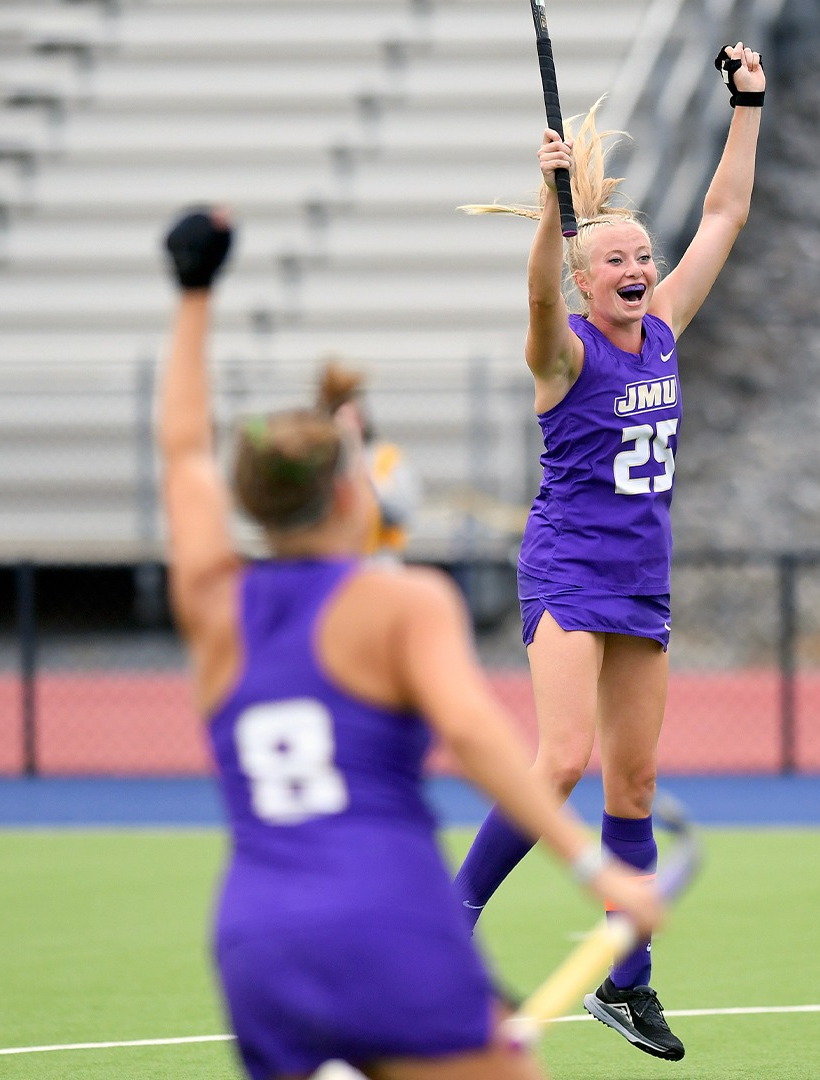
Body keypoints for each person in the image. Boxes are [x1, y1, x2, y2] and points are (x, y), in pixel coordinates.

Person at [159, 207, 662, 1080]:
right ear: (354, 498)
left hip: (254, 941)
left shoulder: (211, 603)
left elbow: (181, 455)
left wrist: (193, 290)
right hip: (386, 917)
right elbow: (474, 740)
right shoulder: (403, 605)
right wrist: (593, 868)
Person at [447, 44, 765, 1061]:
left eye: (642, 257)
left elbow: (724, 216)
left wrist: (747, 105)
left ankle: (627, 987)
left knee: (632, 786)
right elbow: (536, 301)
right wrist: (551, 214)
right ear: (587, 282)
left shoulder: (663, 325)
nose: (638, 270)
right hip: (569, 569)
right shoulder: (564, 352)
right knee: (566, 757)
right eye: (617, 262)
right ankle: (450, 919)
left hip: (641, 578)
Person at [314, 360, 424, 561]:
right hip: (332, 560)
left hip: (378, 559)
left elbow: (402, 511)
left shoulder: (386, 458)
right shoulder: (318, 459)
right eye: (341, 418)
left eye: (352, 417)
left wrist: (364, 474)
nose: (348, 426)